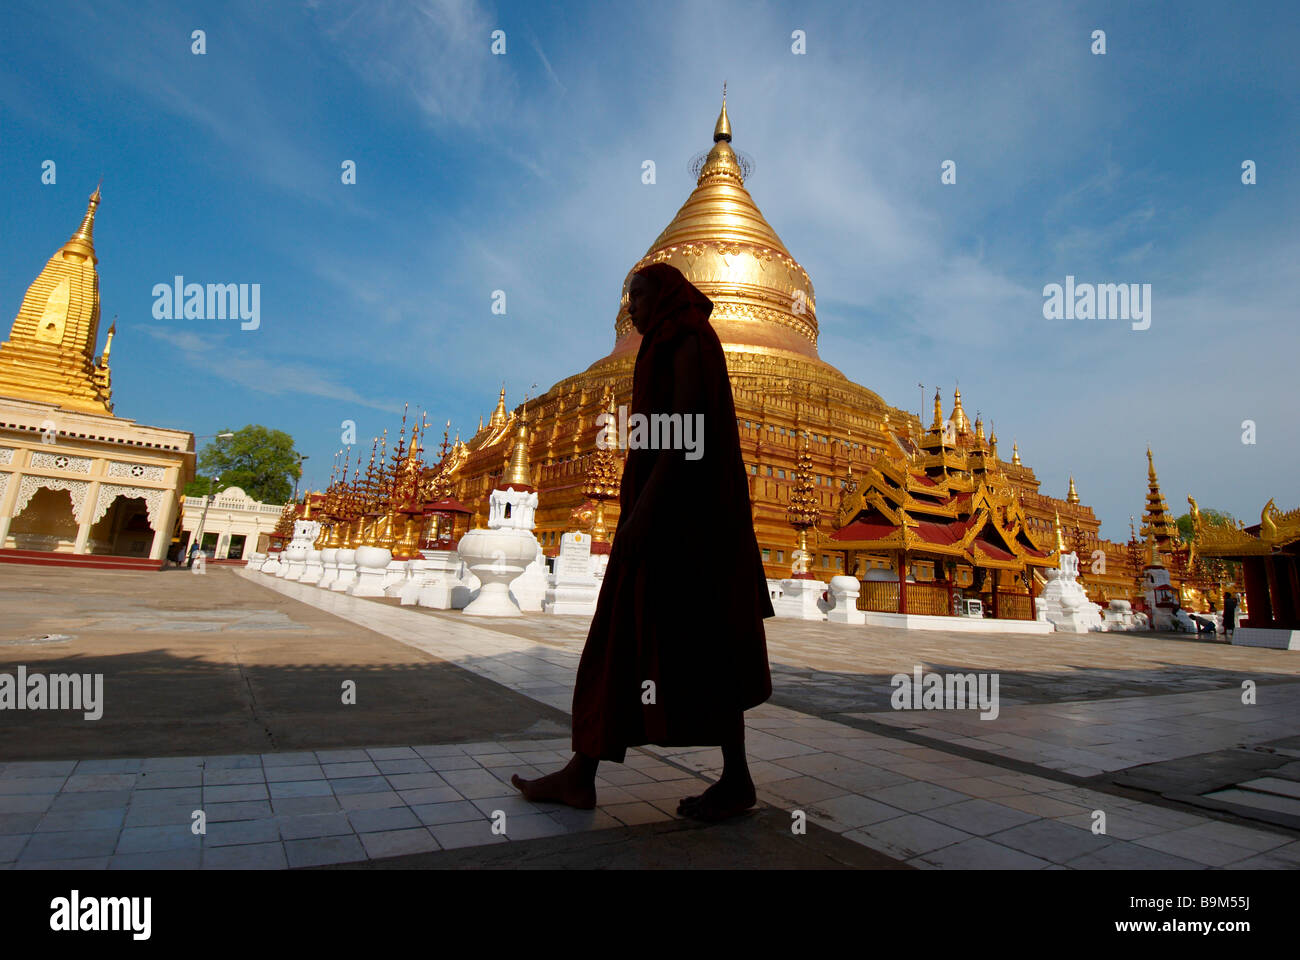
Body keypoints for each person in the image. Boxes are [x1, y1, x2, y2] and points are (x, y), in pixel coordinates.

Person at [512, 263, 774, 821]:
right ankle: (585, 772)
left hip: (680, 525)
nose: (630, 306)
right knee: (655, 644)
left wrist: (643, 515)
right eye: (629, 296)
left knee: (669, 643)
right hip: (674, 519)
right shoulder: (666, 339)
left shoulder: (687, 338)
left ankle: (726, 779)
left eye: (639, 294)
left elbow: (687, 435)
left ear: (666, 295)